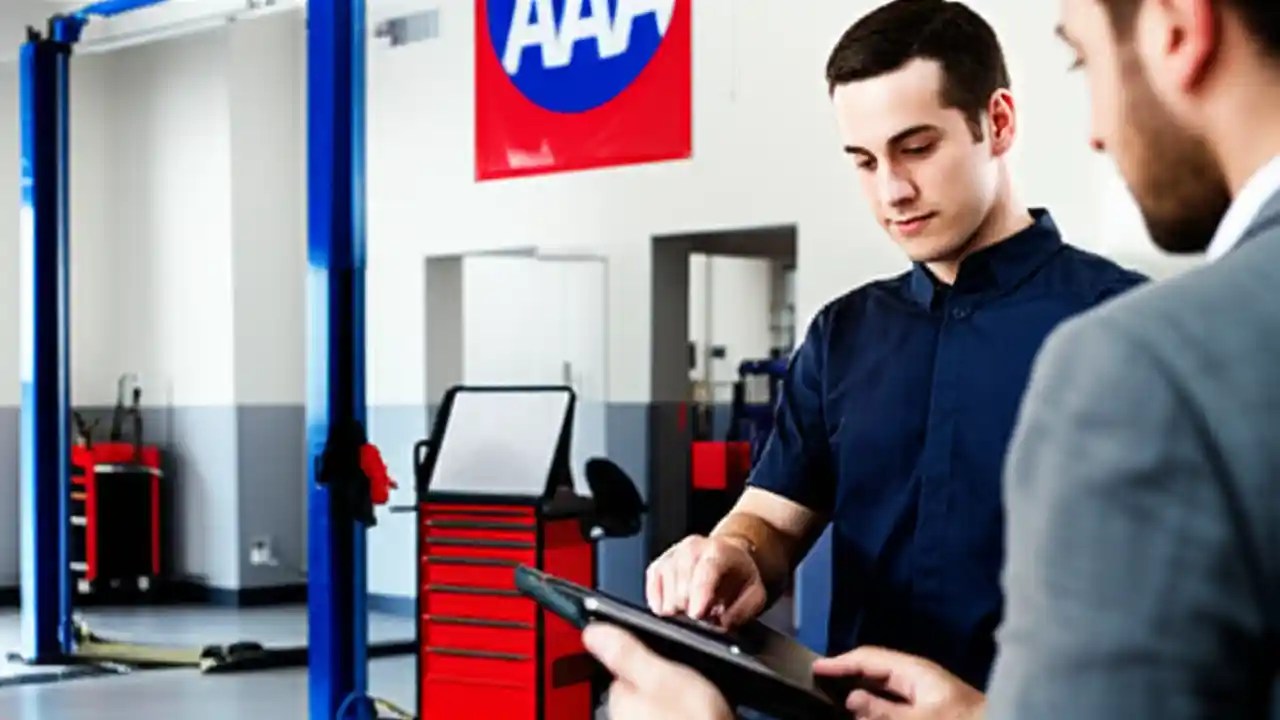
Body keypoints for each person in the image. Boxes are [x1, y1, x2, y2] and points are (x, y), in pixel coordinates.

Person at [588, 0, 1280, 718]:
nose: (892, 191)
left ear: (998, 123)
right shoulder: (841, 333)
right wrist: (730, 552)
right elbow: (769, 518)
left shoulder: (1123, 333)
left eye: (916, 148)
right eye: (864, 161)